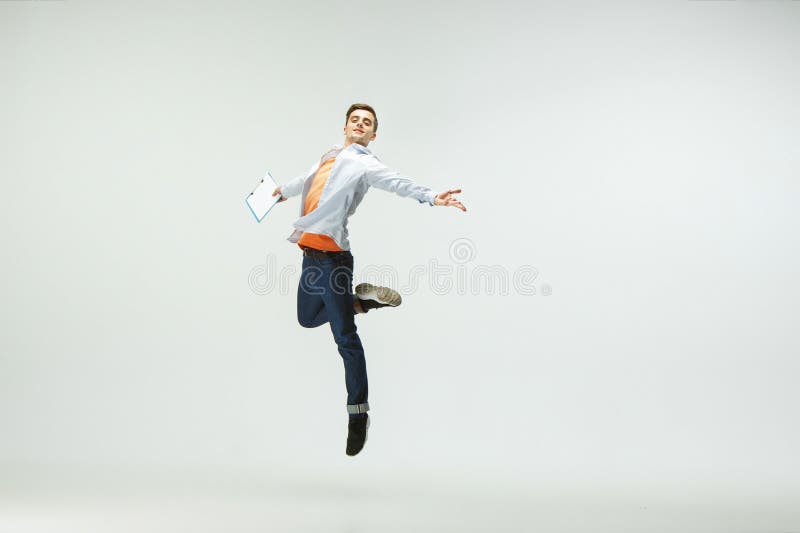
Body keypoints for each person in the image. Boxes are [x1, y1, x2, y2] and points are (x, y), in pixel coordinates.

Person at [271, 103, 466, 456]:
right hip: (309, 257)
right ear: (345, 126)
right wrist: (282, 191)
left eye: (367, 123)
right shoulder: (329, 155)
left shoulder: (365, 164)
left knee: (345, 339)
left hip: (334, 261)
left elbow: (397, 183)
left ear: (372, 135)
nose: (360, 124)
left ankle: (358, 414)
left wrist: (432, 197)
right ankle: (362, 301)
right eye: (355, 120)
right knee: (306, 318)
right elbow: (307, 180)